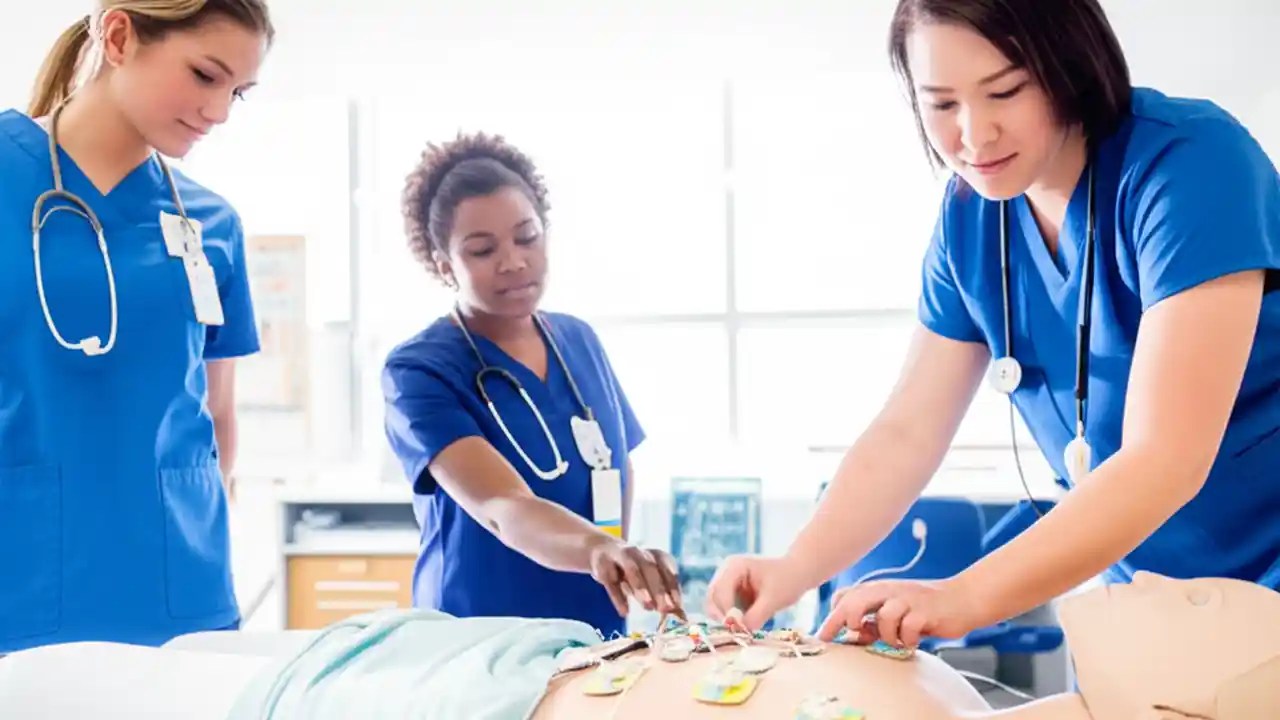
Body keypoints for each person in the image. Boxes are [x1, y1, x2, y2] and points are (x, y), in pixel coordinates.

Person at [706, 0, 1280, 650]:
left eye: (1005, 90)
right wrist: (795, 566)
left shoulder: (1192, 167)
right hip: (1156, 600)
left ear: (1068, 64)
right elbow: (907, 432)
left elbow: (1165, 458)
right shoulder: (971, 220)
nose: (973, 137)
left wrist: (965, 597)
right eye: (941, 104)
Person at [3, 571, 1276, 718]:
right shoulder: (963, 699)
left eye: (1201, 608)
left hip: (453, 706)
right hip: (508, 654)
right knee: (177, 637)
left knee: (50, 684)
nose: (1170, 580)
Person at [0, 0, 271, 653]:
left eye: (239, 91)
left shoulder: (212, 224)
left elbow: (219, 414)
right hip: (22, 579)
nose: (221, 111)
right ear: (119, 35)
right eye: (205, 76)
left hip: (180, 591)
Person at [382, 132, 683, 639]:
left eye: (527, 237)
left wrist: (618, 560)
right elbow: (503, 506)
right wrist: (597, 549)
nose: (513, 261)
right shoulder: (419, 370)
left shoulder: (578, 339)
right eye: (481, 250)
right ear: (442, 264)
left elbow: (618, 464)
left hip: (592, 621)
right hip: (478, 631)